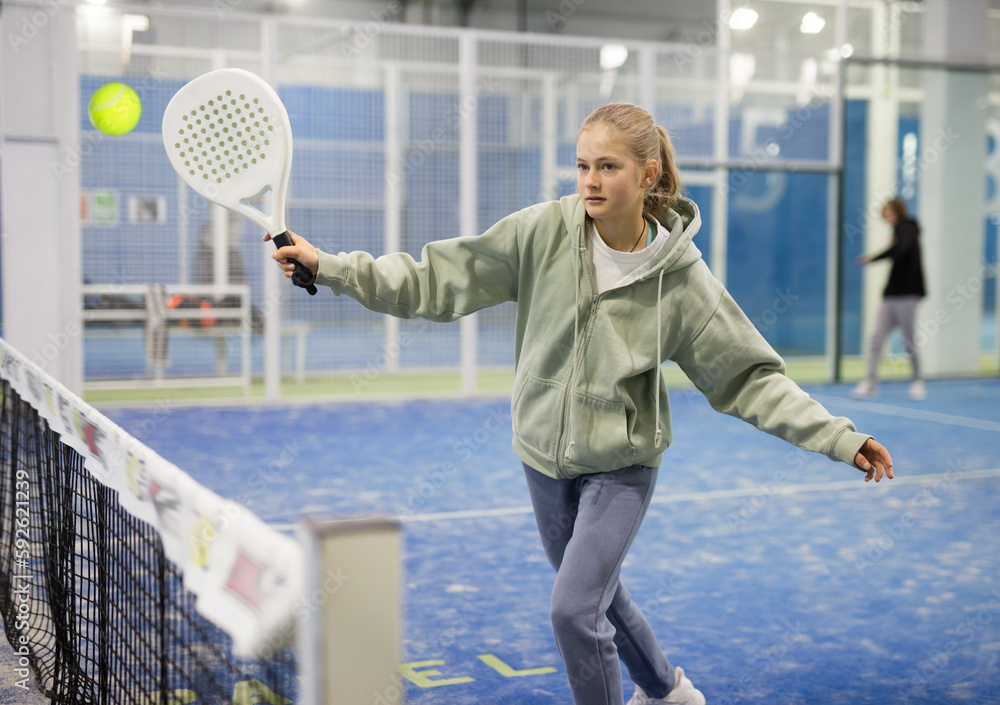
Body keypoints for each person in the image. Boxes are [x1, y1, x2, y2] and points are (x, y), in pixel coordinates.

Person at [268, 102, 894, 705]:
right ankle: (669, 692)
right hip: (541, 458)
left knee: (573, 609)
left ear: (648, 176)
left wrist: (840, 437)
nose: (590, 181)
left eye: (609, 166)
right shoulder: (541, 233)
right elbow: (435, 281)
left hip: (621, 467)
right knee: (600, 599)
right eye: (582, 165)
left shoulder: (682, 282)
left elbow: (750, 378)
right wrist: (330, 267)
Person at [853, 197, 927, 400]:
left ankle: (917, 381)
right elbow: (896, 251)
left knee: (908, 340)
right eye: (884, 213)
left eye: (889, 212)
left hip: (907, 295)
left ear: (897, 212)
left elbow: (900, 250)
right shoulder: (898, 232)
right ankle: (870, 383)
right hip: (891, 296)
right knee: (876, 339)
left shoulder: (908, 229)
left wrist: (874, 258)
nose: (886, 216)